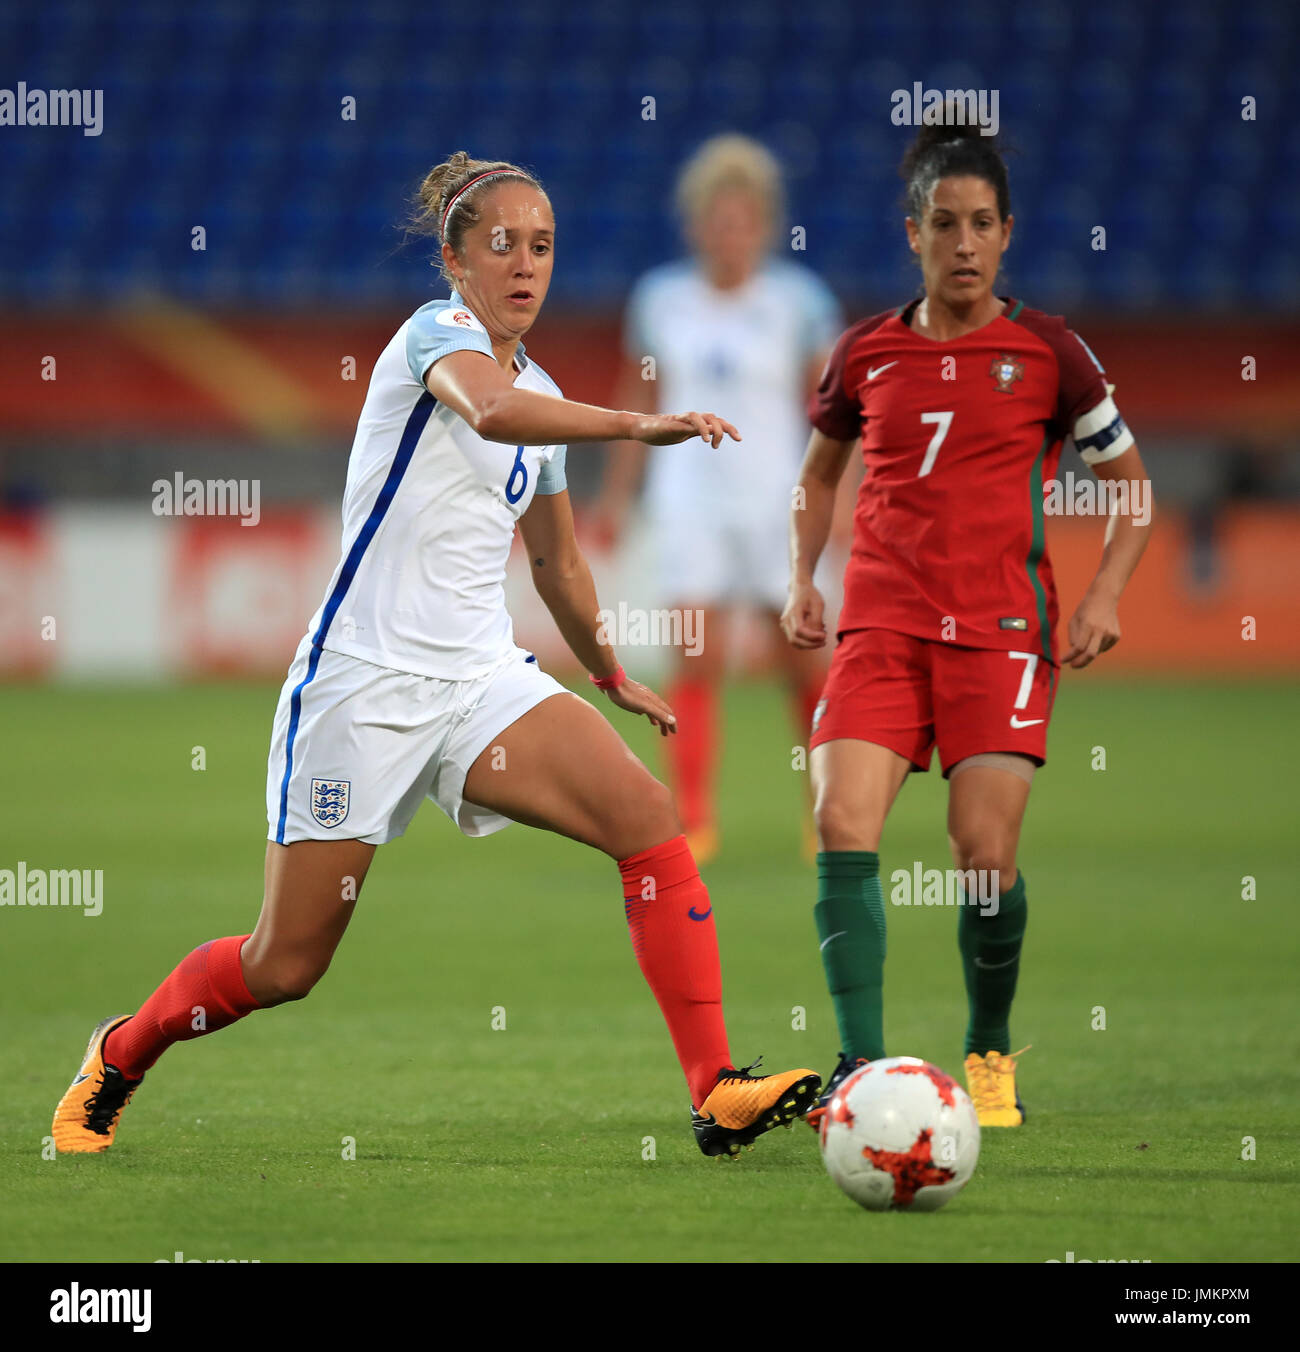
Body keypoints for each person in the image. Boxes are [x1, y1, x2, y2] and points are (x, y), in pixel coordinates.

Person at [53, 152, 819, 1161]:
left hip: (478, 681)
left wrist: (605, 669)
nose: (524, 263)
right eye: (501, 242)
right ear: (456, 259)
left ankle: (713, 1089)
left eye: (541, 244)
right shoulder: (434, 338)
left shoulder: (540, 390)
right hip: (359, 687)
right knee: (284, 963)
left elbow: (555, 560)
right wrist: (638, 420)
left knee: (645, 817)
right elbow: (491, 412)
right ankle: (119, 1051)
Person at [785, 116, 1154, 1128]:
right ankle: (860, 1071)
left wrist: (1105, 592)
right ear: (912, 232)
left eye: (980, 223)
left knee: (981, 852)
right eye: (942, 222)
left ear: (1005, 233)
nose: (961, 242)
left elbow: (1132, 489)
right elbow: (814, 479)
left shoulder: (1049, 353)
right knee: (837, 821)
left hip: (1000, 633)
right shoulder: (863, 353)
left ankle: (987, 1053)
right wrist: (802, 577)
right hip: (881, 625)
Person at [597, 135, 844, 861]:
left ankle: (828, 810)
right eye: (716, 220)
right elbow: (636, 399)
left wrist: (851, 500)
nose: (729, 234)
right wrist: (617, 495)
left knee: (804, 660)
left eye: (743, 220)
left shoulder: (800, 302)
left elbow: (834, 412)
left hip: (781, 505)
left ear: (765, 225)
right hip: (690, 504)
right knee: (695, 661)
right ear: (695, 224)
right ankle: (695, 822)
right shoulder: (661, 300)